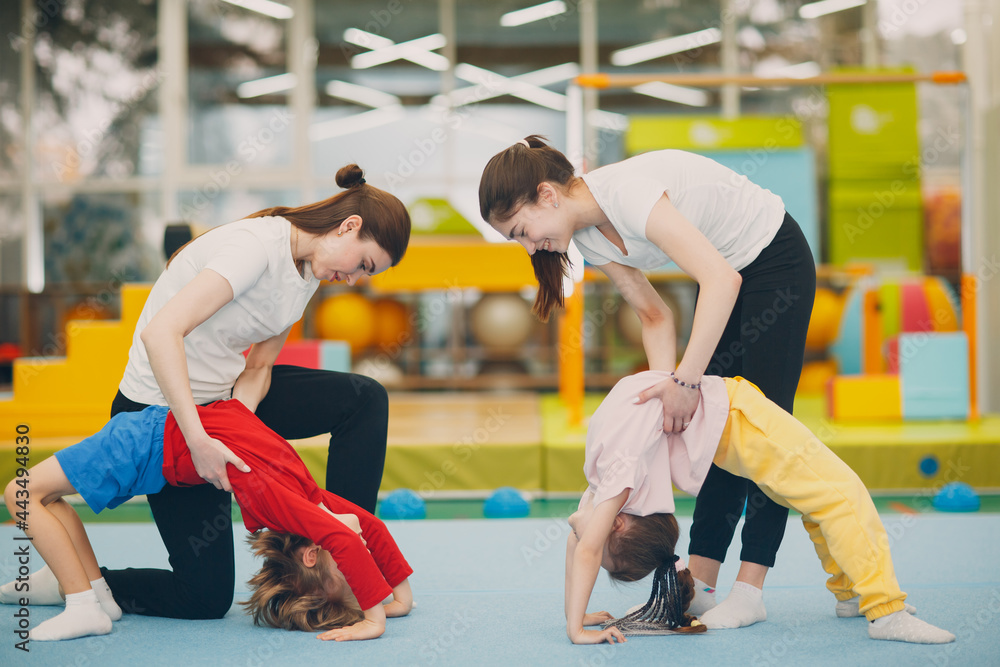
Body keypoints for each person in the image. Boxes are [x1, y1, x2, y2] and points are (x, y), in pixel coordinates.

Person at [41, 163, 408, 621]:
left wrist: (240, 425)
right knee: (205, 598)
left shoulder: (308, 272)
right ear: (348, 228)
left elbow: (258, 366)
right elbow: (162, 335)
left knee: (363, 398)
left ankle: (340, 551)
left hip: (224, 402)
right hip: (164, 417)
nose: (354, 279)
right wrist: (202, 442)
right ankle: (77, 579)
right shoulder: (253, 248)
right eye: (363, 265)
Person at [479, 136, 817, 628]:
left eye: (522, 231)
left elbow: (722, 280)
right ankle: (700, 583)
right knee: (718, 435)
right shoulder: (591, 238)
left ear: (547, 195)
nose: (530, 246)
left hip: (775, 261)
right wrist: (661, 405)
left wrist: (686, 381)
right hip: (730, 279)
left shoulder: (629, 196)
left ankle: (751, 587)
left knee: (765, 432)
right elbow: (654, 316)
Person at [563, 370, 955, 646]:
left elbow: (584, 545)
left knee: (819, 498)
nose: (589, 531)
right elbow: (582, 541)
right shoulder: (606, 484)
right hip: (738, 424)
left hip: (737, 424)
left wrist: (575, 625)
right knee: (840, 495)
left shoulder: (611, 484)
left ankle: (852, 594)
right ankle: (885, 612)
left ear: (615, 526)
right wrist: (575, 621)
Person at [2, 398, 413, 641]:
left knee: (19, 493)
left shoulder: (287, 504)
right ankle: (94, 593)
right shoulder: (311, 498)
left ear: (311, 554)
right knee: (44, 495)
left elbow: (345, 536)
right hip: (152, 435)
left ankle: (81, 604)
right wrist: (398, 600)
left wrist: (373, 620)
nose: (364, 556)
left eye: (352, 569)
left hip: (143, 443)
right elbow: (370, 528)